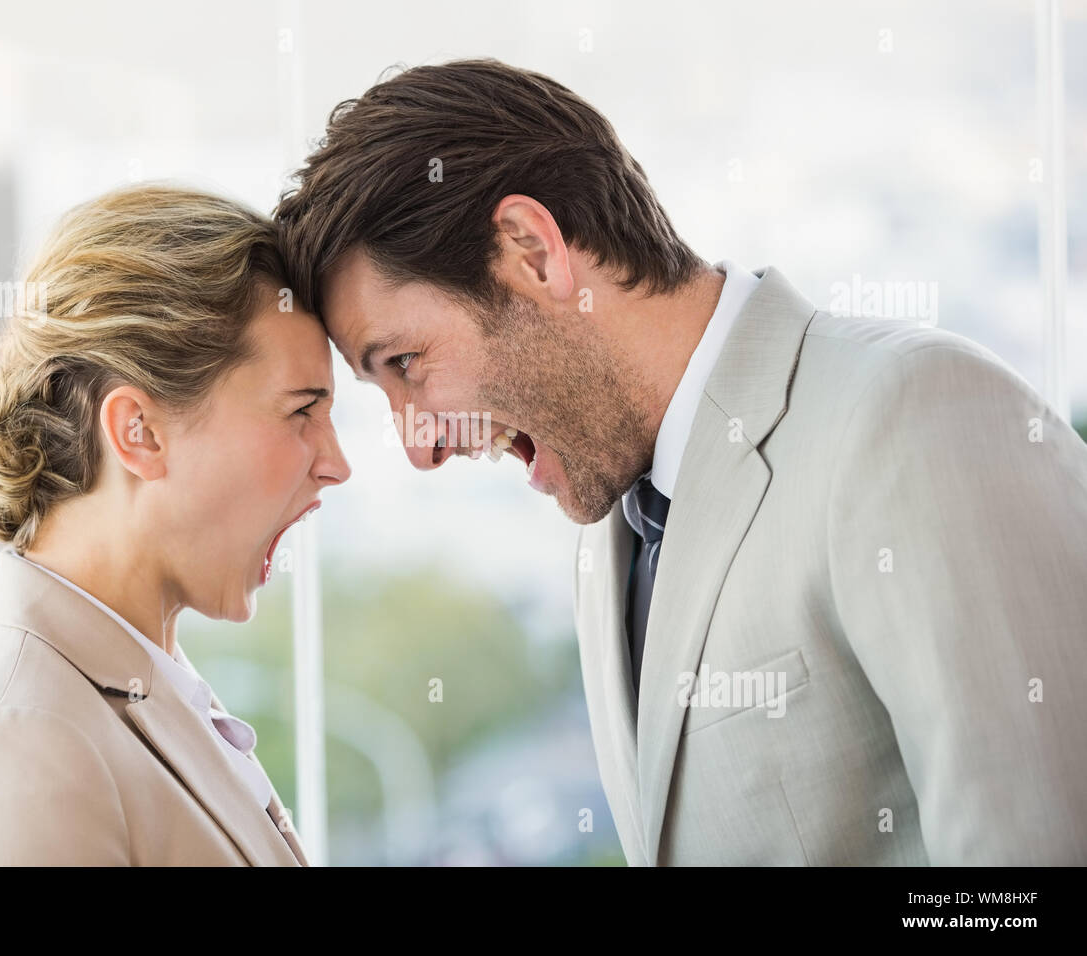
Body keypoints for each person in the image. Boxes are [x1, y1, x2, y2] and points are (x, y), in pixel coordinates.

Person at [273, 58, 1087, 865]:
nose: (418, 445)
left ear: (532, 251)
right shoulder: (612, 521)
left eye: (406, 364)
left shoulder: (914, 416)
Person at [0, 184, 350, 865]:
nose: (336, 464)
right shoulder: (18, 743)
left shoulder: (133, 689)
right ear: (139, 432)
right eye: (301, 411)